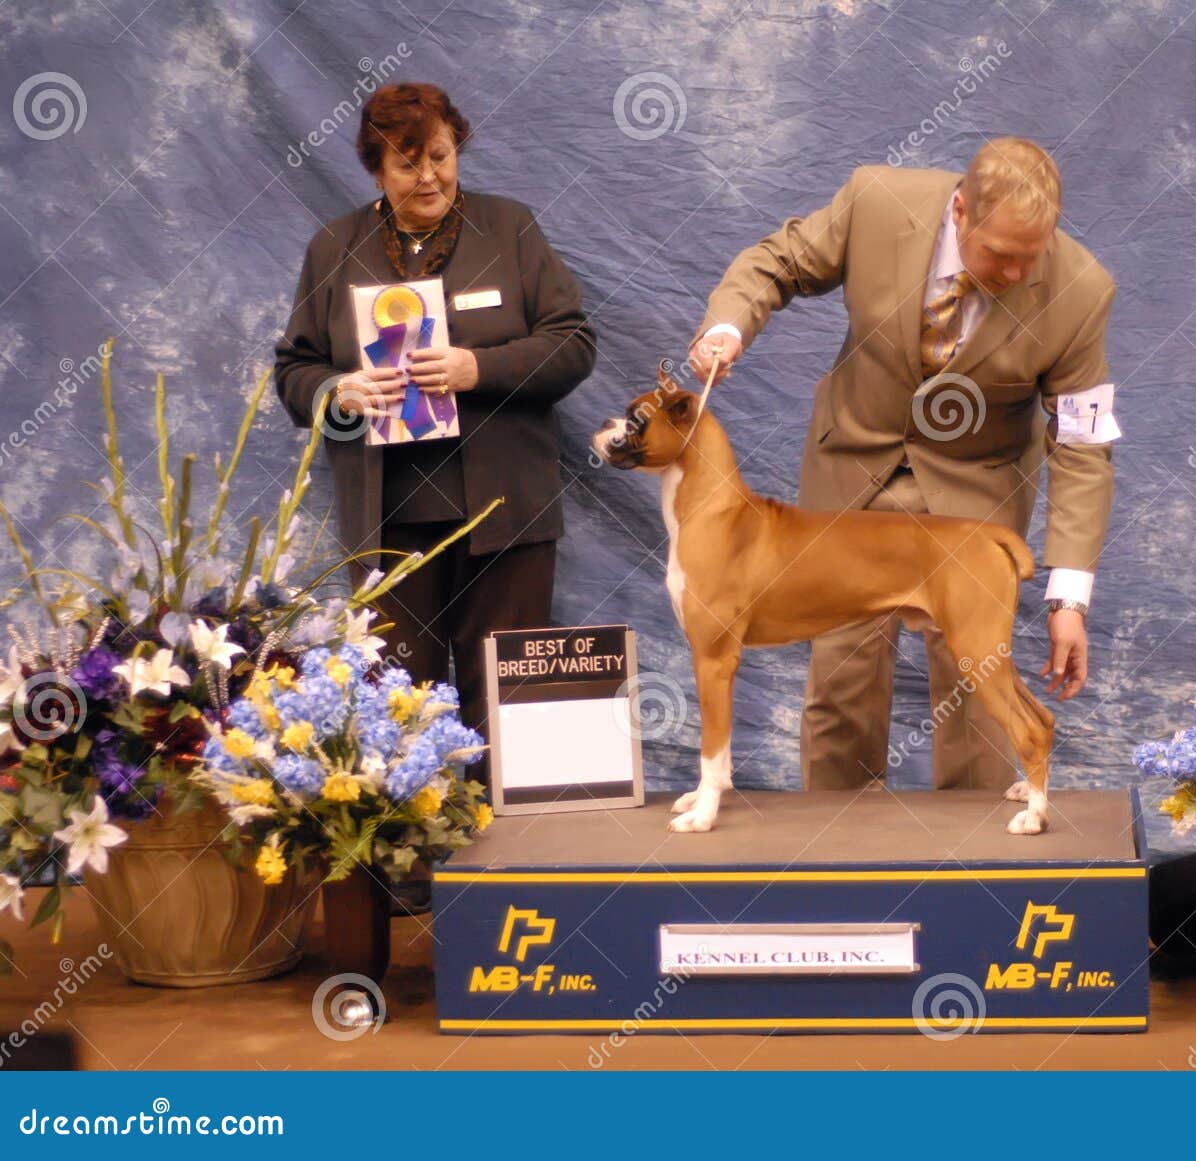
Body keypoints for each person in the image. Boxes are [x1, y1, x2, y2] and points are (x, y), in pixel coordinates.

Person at [687, 137, 1118, 792]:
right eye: (1000, 255)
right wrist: (729, 326)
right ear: (960, 211)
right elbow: (775, 264)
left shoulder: (1081, 290)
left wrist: (1069, 596)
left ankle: (975, 863)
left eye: (1031, 259)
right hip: (850, 474)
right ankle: (837, 852)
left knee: (977, 695)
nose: (1014, 275)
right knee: (841, 685)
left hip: (973, 494)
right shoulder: (876, 203)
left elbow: (1083, 446)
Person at [274, 81, 596, 773]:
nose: (429, 177)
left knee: (510, 719)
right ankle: (411, 883)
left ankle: (514, 875)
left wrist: (478, 368)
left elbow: (572, 344)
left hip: (505, 519)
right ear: (374, 169)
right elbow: (293, 372)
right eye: (407, 164)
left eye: (442, 156)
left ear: (458, 148)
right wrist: (340, 390)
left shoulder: (510, 228)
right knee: (400, 722)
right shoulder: (333, 248)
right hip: (390, 524)